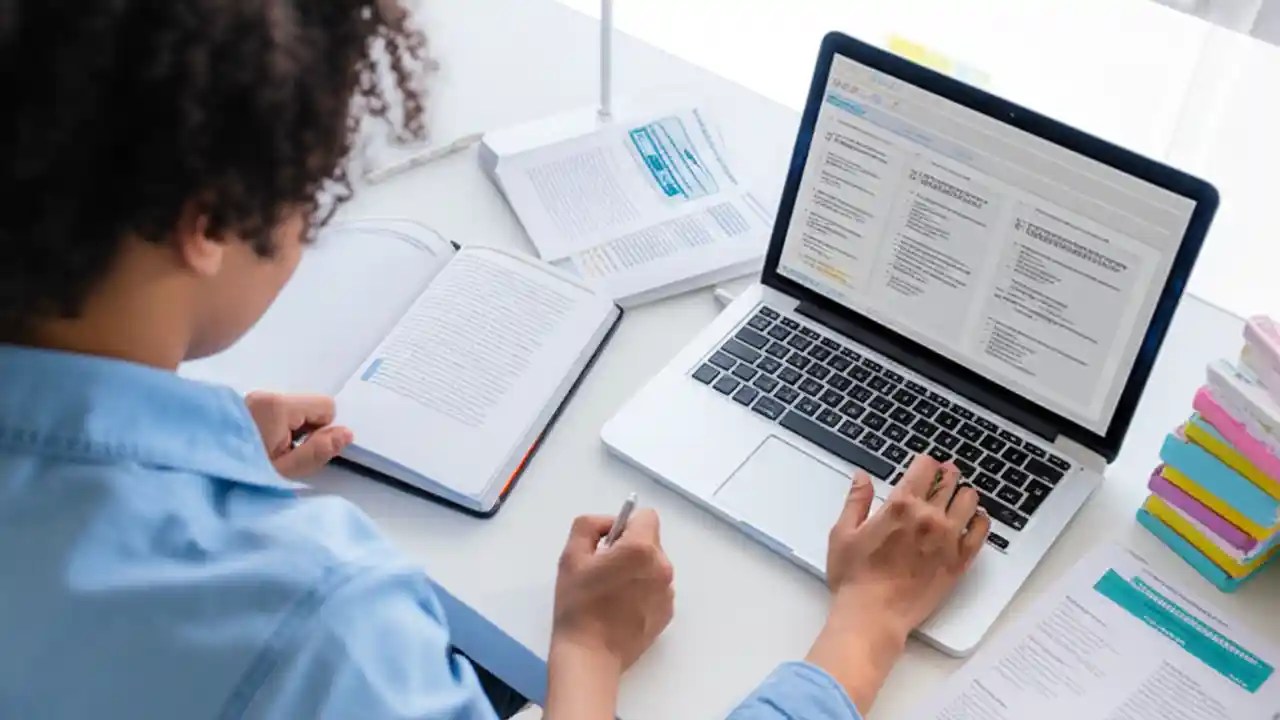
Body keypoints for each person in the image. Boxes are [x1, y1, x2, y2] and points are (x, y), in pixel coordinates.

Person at [0, 1, 991, 718]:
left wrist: (193, 452)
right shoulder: (317, 624)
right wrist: (597, 652)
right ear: (208, 221)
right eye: (308, 182)